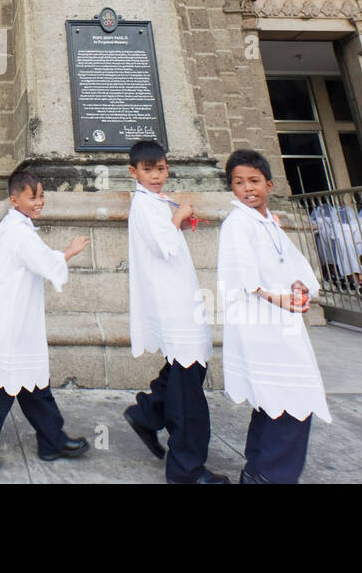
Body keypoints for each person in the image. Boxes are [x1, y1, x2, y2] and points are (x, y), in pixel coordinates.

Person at [0, 167, 90, 474]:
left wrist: (60, 255)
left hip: (21, 318)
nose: (39, 202)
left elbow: (36, 255)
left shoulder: (21, 227)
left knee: (33, 379)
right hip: (11, 321)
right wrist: (68, 252)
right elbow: (40, 261)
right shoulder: (16, 229)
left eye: (41, 196)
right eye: (32, 196)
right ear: (14, 200)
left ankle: (52, 438)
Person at [218, 149, 330, 484]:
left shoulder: (267, 222)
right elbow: (243, 273)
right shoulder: (238, 222)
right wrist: (277, 297)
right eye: (238, 182)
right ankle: (271, 475)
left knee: (275, 398)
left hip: (282, 321)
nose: (247, 188)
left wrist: (301, 289)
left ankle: (257, 471)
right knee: (293, 395)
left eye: (254, 180)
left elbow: (291, 264)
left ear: (269, 184)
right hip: (262, 323)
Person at [122, 140, 227, 484]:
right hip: (170, 301)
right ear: (133, 172)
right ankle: (187, 469)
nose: (156, 176)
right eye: (149, 170)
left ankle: (147, 413)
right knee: (188, 389)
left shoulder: (156, 203)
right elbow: (163, 244)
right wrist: (179, 215)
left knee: (189, 369)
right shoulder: (145, 205)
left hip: (180, 293)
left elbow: (165, 238)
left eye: (161, 169)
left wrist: (178, 218)